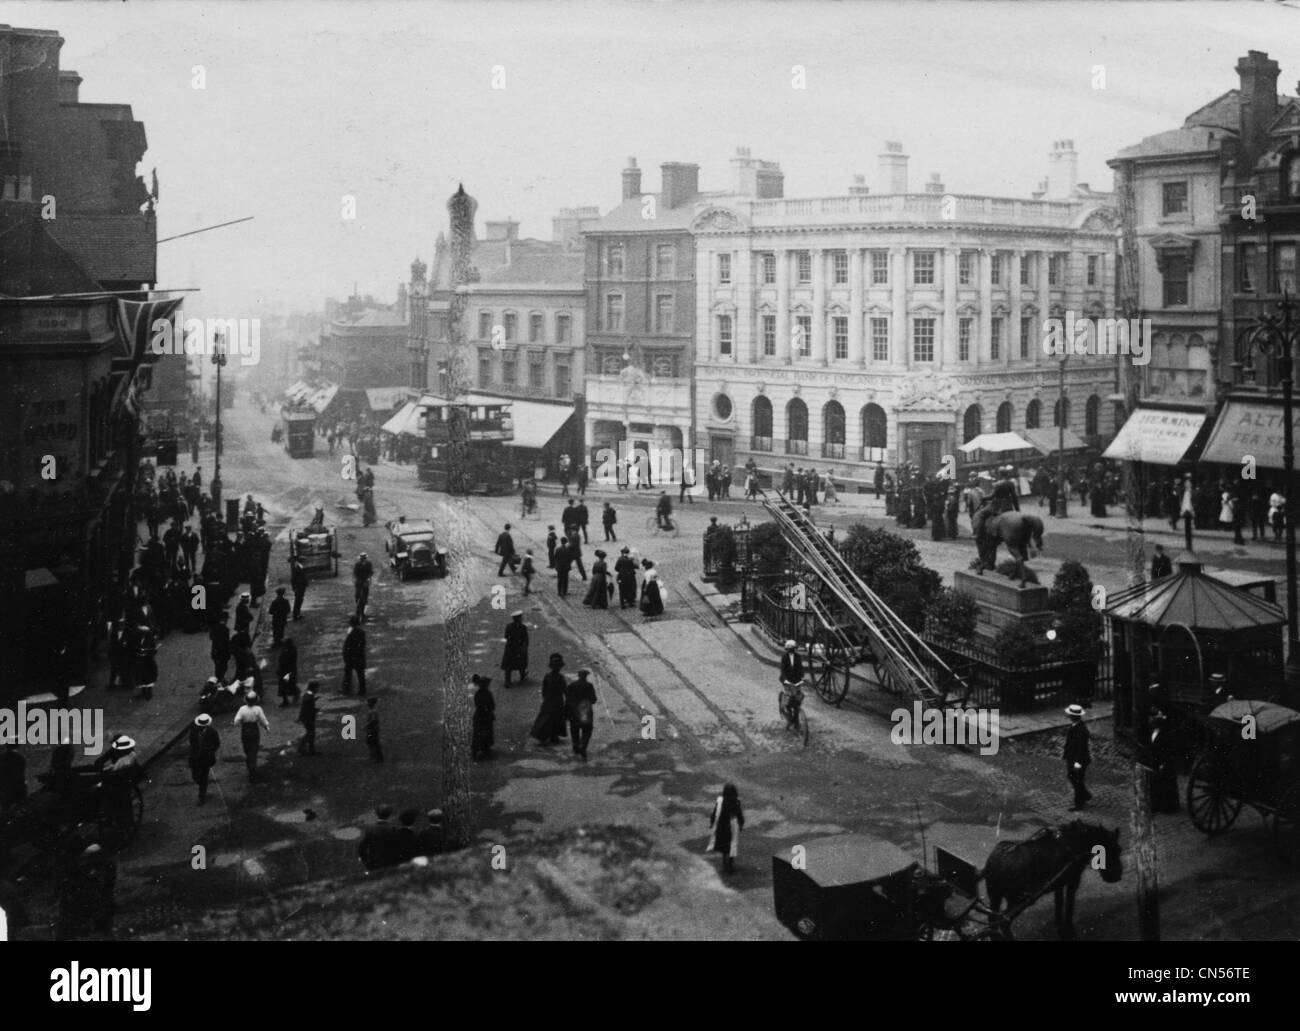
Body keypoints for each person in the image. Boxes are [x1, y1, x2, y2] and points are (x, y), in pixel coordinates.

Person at [531, 653, 569, 745]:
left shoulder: (547, 676)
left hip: (549, 700)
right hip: (557, 701)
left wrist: (545, 698)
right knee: (556, 718)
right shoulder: (560, 678)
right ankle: (553, 736)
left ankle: (543, 735)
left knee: (546, 717)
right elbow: (565, 690)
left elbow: (544, 689)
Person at [707, 784, 745, 875]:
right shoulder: (736, 802)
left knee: (724, 846)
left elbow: (714, 813)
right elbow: (739, 815)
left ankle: (724, 863)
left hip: (722, 826)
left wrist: (712, 822)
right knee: (732, 845)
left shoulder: (720, 801)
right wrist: (741, 824)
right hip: (732, 827)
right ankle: (730, 866)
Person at [233, 691, 271, 782]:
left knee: (247, 749)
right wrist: (266, 727)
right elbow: (262, 720)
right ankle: (252, 769)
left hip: (245, 730)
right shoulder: (258, 709)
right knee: (254, 749)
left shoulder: (242, 709)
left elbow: (236, 721)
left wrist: (239, 723)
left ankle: (250, 767)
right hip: (254, 729)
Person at [1063, 704, 1092, 811]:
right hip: (1073, 758)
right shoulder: (1076, 726)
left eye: (1070, 715)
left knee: (1077, 780)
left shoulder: (1080, 730)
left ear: (1073, 716)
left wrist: (1078, 762)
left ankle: (1079, 803)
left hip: (1078, 760)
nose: (1068, 716)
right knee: (1074, 778)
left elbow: (1081, 747)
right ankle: (1085, 795)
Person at [188, 714, 221, 805]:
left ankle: (201, 796)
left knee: (203, 777)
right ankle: (200, 784)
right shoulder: (194, 731)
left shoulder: (212, 732)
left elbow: (217, 743)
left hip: (206, 759)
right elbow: (192, 742)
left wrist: (210, 751)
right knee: (195, 776)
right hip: (195, 758)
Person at [565, 668, 598, 761]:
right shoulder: (589, 686)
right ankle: (583, 746)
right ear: (586, 676)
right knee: (587, 730)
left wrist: (567, 712)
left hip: (574, 712)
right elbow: (594, 699)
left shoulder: (571, 686)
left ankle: (575, 746)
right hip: (585, 712)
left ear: (578, 676)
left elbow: (567, 699)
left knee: (574, 730)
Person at [358, 806, 401, 871]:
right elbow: (397, 848)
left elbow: (363, 847)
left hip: (374, 862)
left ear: (377, 814)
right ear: (389, 815)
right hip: (390, 862)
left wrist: (366, 861)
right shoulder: (393, 829)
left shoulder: (370, 829)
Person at [501, 611, 529, 688]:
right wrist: (524, 647)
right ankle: (520, 677)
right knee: (517, 663)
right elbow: (525, 639)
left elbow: (506, 636)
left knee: (511, 664)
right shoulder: (523, 627)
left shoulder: (509, 626)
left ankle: (509, 681)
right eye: (520, 618)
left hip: (512, 647)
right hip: (515, 647)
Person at [472, 674, 496, 760]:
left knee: (478, 733)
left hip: (478, 715)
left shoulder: (477, 694)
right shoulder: (488, 693)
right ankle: (485, 748)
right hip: (486, 716)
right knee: (487, 732)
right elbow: (492, 706)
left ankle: (475, 750)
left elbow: (477, 704)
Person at [342, 616, 367, 696]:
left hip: (350, 656)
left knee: (348, 673)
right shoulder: (361, 632)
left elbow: (347, 646)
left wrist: (345, 656)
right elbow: (362, 644)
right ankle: (362, 690)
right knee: (360, 674)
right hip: (359, 656)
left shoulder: (351, 633)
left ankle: (346, 689)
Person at [0, 742, 27, 813]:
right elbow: (20, 775)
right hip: (17, 789)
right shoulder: (20, 759)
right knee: (19, 808)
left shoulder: (2, 758)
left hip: (4, 789)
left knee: (5, 809)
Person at [298, 680, 320, 755]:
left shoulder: (308, 696)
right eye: (317, 688)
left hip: (307, 718)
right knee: (310, 733)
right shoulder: (309, 698)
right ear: (314, 688)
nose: (318, 690)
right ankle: (303, 749)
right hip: (308, 719)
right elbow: (308, 709)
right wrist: (315, 710)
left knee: (310, 733)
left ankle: (309, 749)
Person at [277, 638, 300, 707]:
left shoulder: (292, 650)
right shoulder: (284, 649)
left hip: (289, 671)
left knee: (290, 684)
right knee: (282, 686)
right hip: (283, 671)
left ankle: (295, 693)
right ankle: (285, 700)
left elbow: (288, 661)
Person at [353, 552, 374, 621]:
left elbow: (370, 572)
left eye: (364, 558)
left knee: (364, 597)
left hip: (365, 581)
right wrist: (356, 580)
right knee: (357, 595)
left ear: (365, 558)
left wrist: (368, 580)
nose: (362, 559)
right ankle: (358, 607)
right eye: (362, 558)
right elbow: (355, 573)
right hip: (359, 581)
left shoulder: (368, 564)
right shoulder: (357, 564)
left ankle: (363, 611)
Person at [365, 698, 383, 762]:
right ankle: (377, 756)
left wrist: (367, 725)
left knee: (371, 741)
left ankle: (375, 757)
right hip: (373, 730)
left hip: (372, 730)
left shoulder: (372, 711)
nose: (367, 704)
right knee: (372, 742)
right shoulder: (373, 710)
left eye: (368, 703)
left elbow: (373, 720)